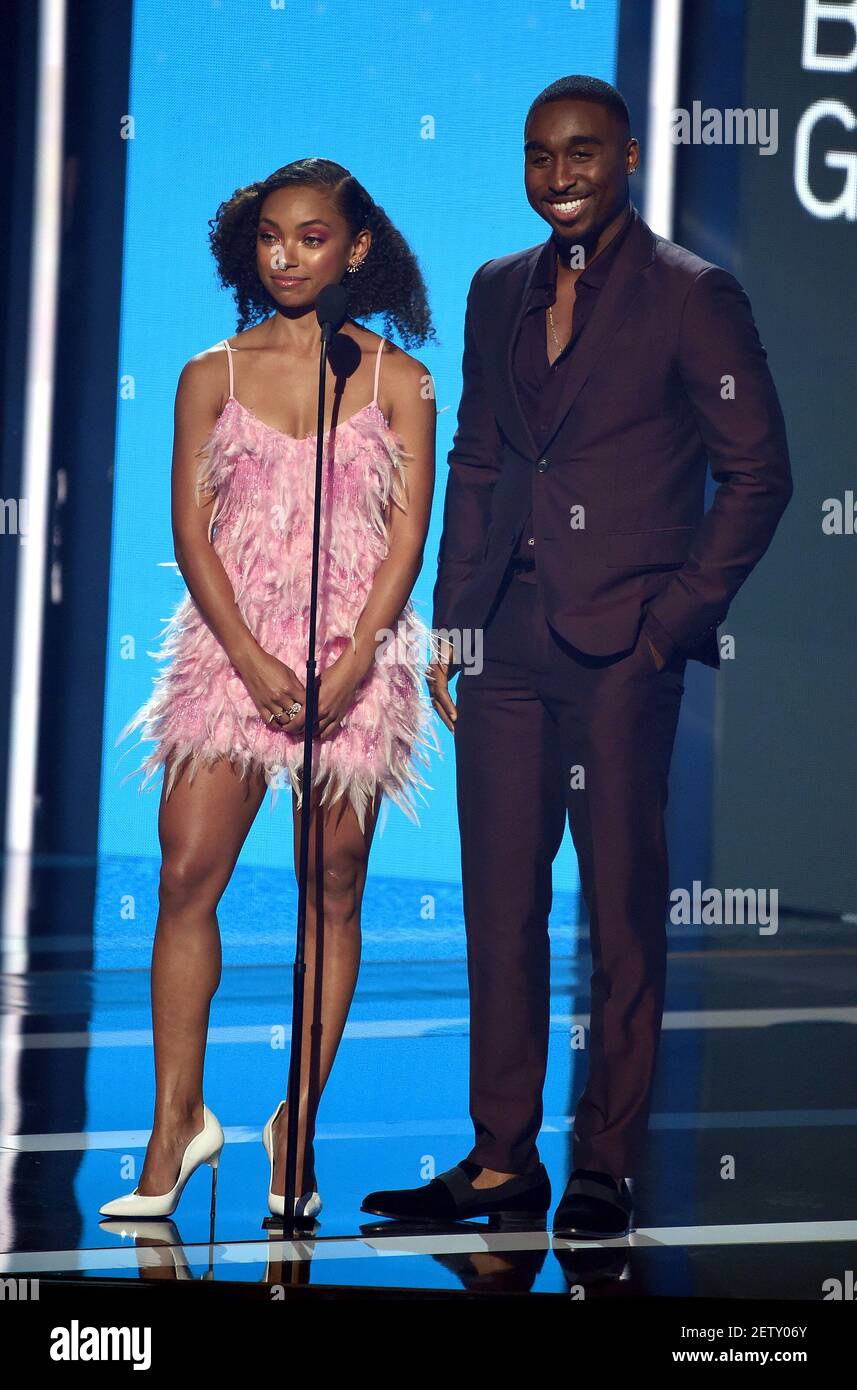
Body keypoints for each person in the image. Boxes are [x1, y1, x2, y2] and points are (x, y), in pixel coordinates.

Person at [362, 75, 792, 1238]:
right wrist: (452, 625)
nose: (558, 174)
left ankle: (605, 1157)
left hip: (620, 652)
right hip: (503, 649)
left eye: (582, 153)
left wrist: (666, 626)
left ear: (630, 157)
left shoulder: (693, 297)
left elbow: (759, 476)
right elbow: (481, 459)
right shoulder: (498, 285)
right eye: (539, 154)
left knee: (617, 911)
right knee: (497, 910)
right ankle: (501, 1160)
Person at [101, 158, 438, 1223]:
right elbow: (190, 536)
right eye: (269, 237)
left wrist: (346, 666)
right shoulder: (214, 373)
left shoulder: (397, 380)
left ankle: (297, 1119)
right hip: (227, 656)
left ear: (356, 248)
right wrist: (250, 656)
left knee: (331, 885)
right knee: (187, 871)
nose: (288, 256)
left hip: (358, 659)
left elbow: (404, 541)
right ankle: (175, 1124)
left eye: (311, 237)